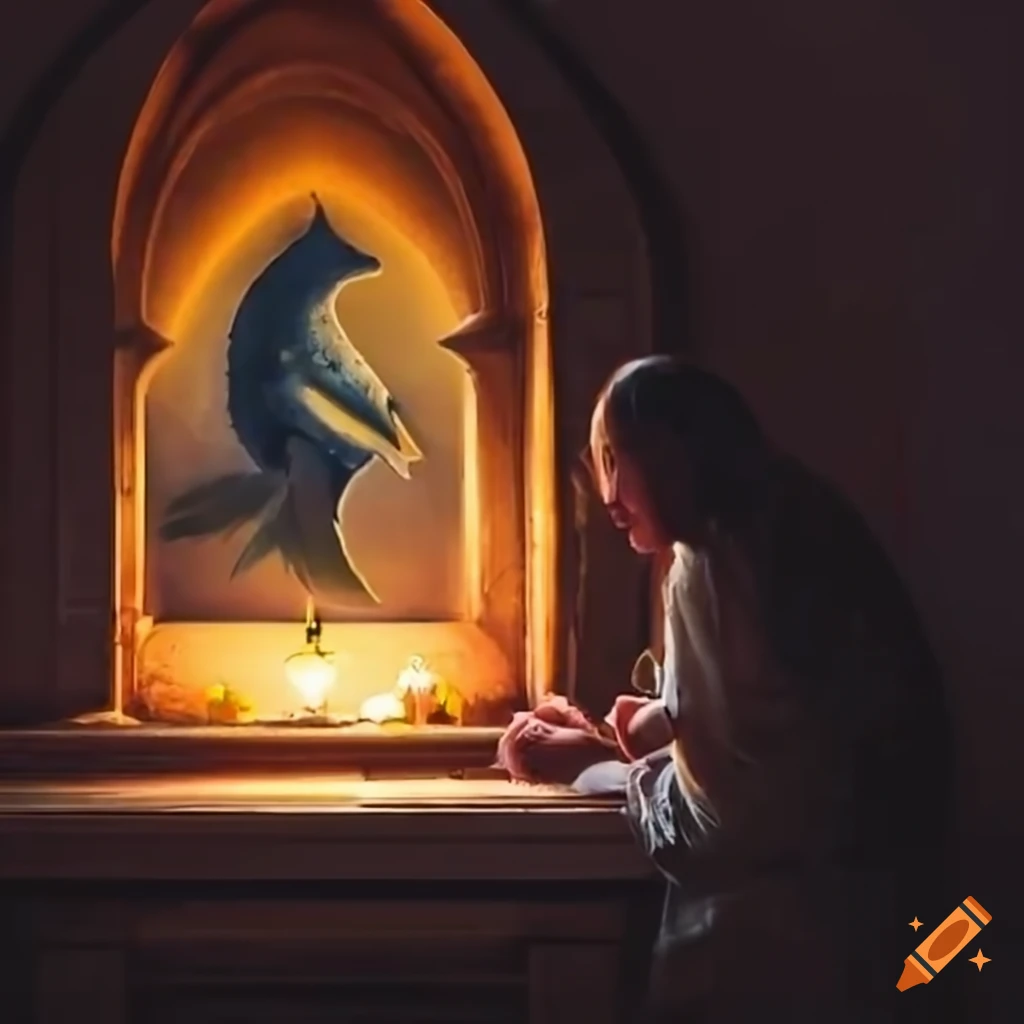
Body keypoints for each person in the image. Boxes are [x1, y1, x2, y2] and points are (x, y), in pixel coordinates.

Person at [497, 357, 957, 1023]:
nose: (607, 494)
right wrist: (664, 724)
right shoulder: (795, 516)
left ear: (671, 452)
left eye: (615, 457)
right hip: (880, 920)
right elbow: (776, 729)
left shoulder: (714, 564)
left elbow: (729, 824)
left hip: (783, 949)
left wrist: (589, 766)